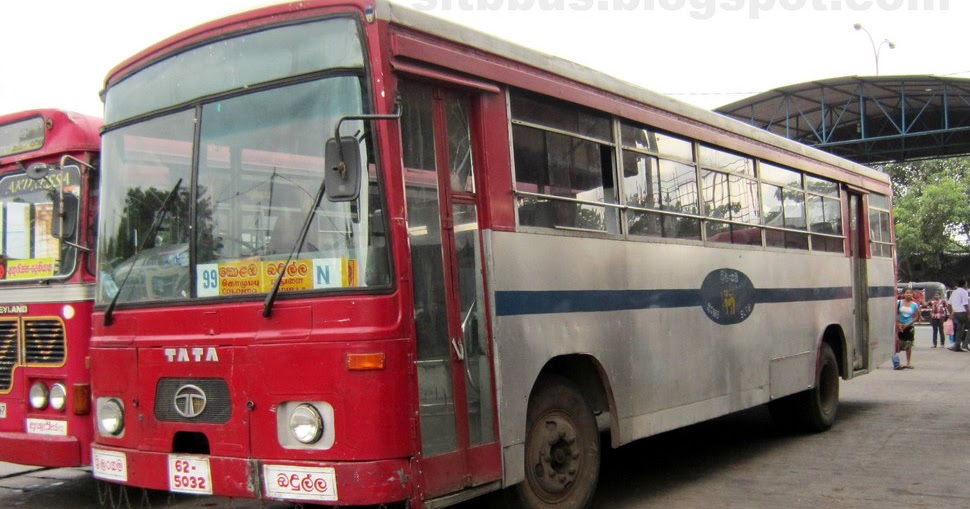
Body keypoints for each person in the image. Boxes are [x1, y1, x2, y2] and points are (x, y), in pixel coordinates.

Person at [895, 289, 920, 369]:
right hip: (899, 325)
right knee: (897, 344)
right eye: (907, 293)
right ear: (904, 294)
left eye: (910, 293)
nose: (908, 294)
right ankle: (896, 362)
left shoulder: (914, 305)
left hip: (909, 326)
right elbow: (895, 313)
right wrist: (898, 323)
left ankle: (908, 362)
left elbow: (916, 317)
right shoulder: (899, 303)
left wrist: (907, 324)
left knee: (908, 344)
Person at [949, 280, 970, 352]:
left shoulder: (954, 292)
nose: (967, 285)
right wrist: (968, 313)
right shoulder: (964, 292)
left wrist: (950, 313)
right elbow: (965, 304)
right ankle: (965, 344)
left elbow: (949, 304)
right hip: (963, 312)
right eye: (966, 284)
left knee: (959, 329)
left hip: (956, 313)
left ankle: (957, 346)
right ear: (964, 284)